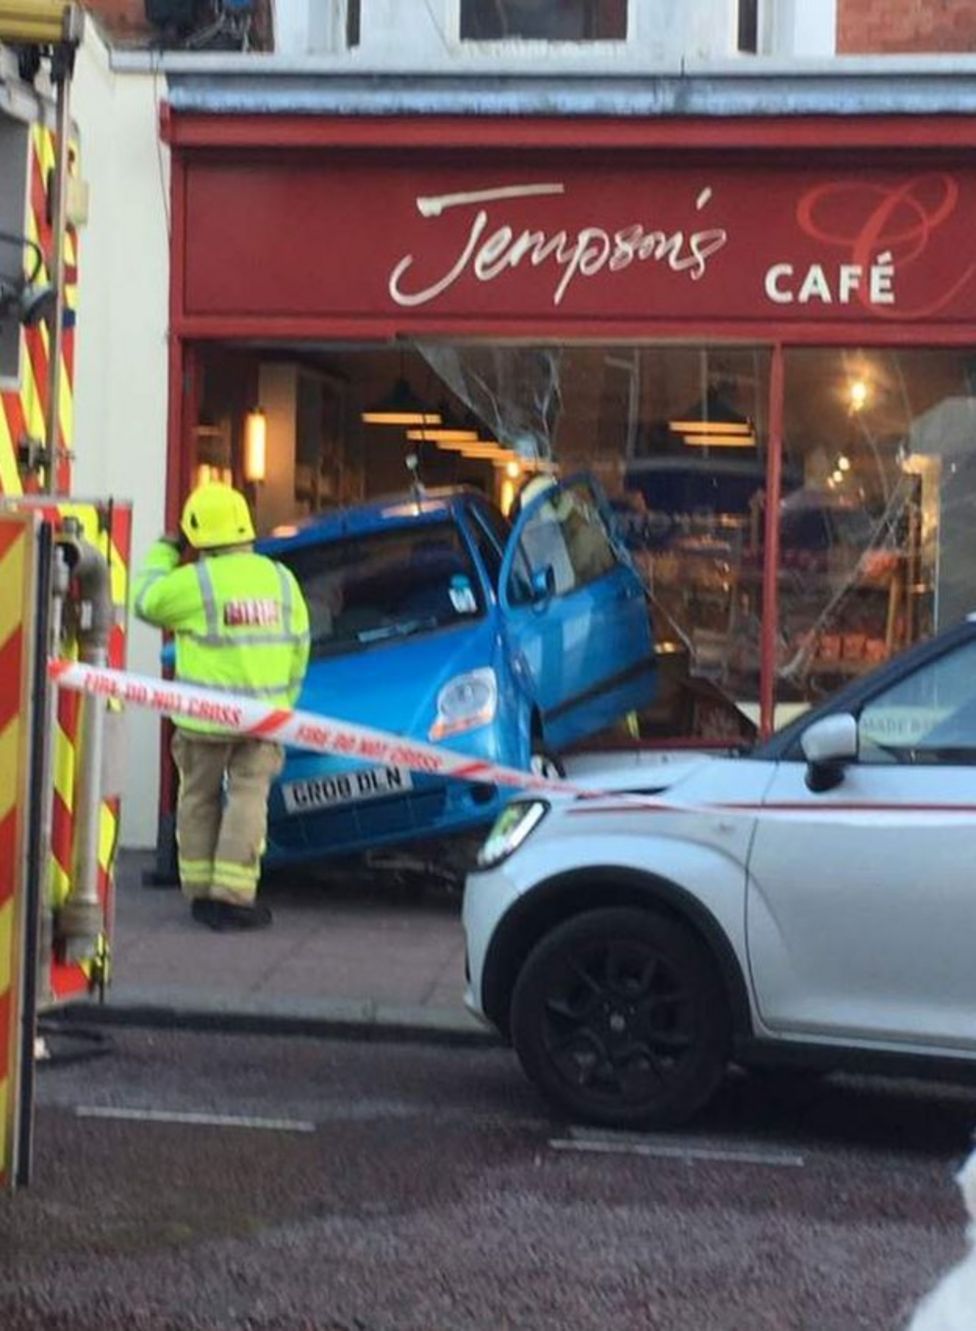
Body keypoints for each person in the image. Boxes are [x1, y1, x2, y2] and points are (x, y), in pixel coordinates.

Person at [133, 483, 310, 932]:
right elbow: (299, 647)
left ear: (197, 534)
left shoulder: (197, 582)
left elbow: (145, 601)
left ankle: (200, 893)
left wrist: (163, 553)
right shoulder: (281, 579)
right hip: (264, 716)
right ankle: (234, 895)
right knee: (249, 798)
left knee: (198, 797)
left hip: (204, 719)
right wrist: (283, 704)